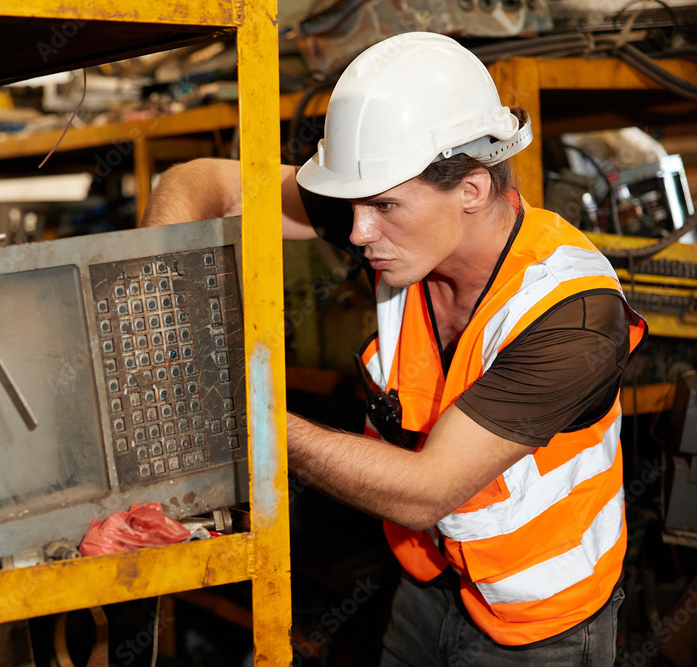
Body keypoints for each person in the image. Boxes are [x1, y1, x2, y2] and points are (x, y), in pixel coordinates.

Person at [142, 32, 647, 665]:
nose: (356, 232)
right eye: (355, 202)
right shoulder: (401, 228)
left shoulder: (574, 317)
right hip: (425, 584)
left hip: (540, 623)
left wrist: (239, 415)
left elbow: (428, 489)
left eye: (382, 204)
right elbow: (198, 180)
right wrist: (163, 305)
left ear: (471, 187)